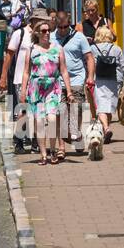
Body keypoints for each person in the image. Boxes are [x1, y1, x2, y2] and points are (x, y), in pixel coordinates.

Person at [22, 14, 69, 166]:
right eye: (43, 31)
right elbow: (26, 72)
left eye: (48, 30)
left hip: (53, 87)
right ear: (37, 33)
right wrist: (23, 91)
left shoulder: (58, 49)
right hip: (36, 88)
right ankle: (43, 154)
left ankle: (53, 150)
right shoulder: (32, 50)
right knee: (40, 121)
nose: (47, 33)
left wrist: (68, 91)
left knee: (52, 118)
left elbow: (64, 71)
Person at [0, 6, 45, 154]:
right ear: (33, 20)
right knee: (24, 111)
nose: (42, 23)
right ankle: (18, 141)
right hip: (21, 79)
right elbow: (9, 55)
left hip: (39, 80)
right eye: (40, 20)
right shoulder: (20, 33)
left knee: (38, 112)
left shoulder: (43, 35)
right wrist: (3, 77)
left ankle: (35, 143)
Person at [54, 9, 95, 156]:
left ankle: (76, 134)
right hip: (58, 82)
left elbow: (89, 58)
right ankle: (65, 143)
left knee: (76, 110)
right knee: (60, 113)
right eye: (60, 27)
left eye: (66, 26)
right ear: (56, 25)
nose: (63, 30)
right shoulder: (51, 38)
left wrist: (90, 76)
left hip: (77, 79)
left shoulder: (79, 37)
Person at [89, 25, 124, 144]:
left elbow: (90, 64)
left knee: (101, 105)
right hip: (115, 79)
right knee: (109, 106)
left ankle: (106, 128)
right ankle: (106, 128)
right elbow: (123, 66)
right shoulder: (117, 49)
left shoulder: (93, 48)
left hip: (99, 79)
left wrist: (88, 78)